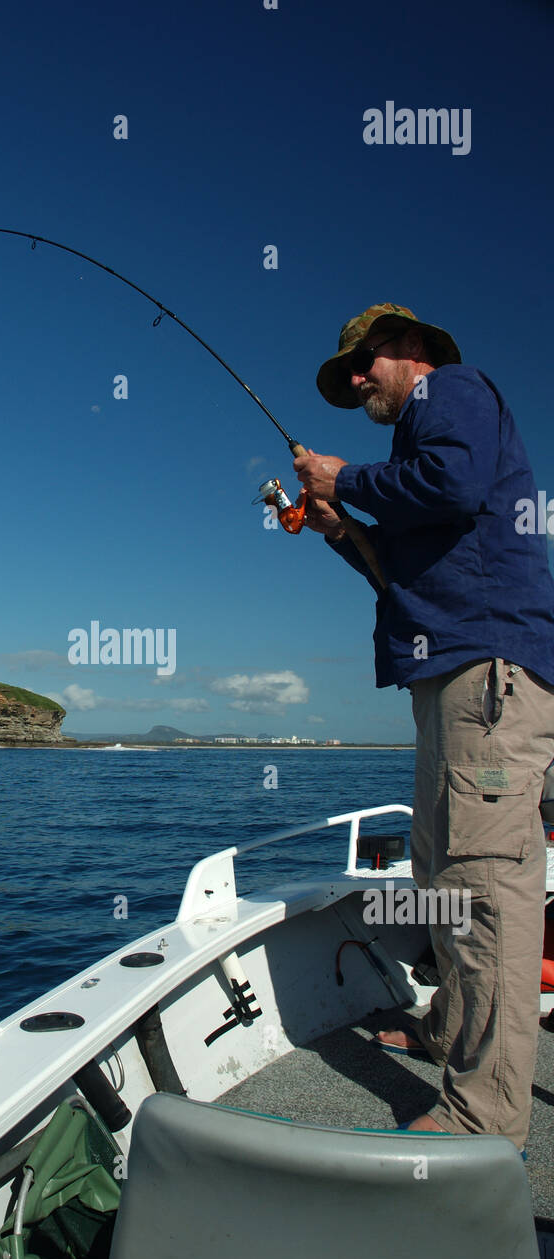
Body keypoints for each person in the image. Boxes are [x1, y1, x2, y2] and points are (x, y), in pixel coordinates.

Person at [293, 303, 554, 1152]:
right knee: (444, 869)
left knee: (484, 894)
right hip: (449, 680)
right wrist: (342, 529)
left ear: (408, 350)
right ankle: (448, 1026)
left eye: (364, 363)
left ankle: (486, 1117)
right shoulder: (413, 450)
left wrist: (344, 480)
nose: (359, 379)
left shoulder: (453, 392)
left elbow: (458, 484)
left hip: (488, 677)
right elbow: (401, 572)